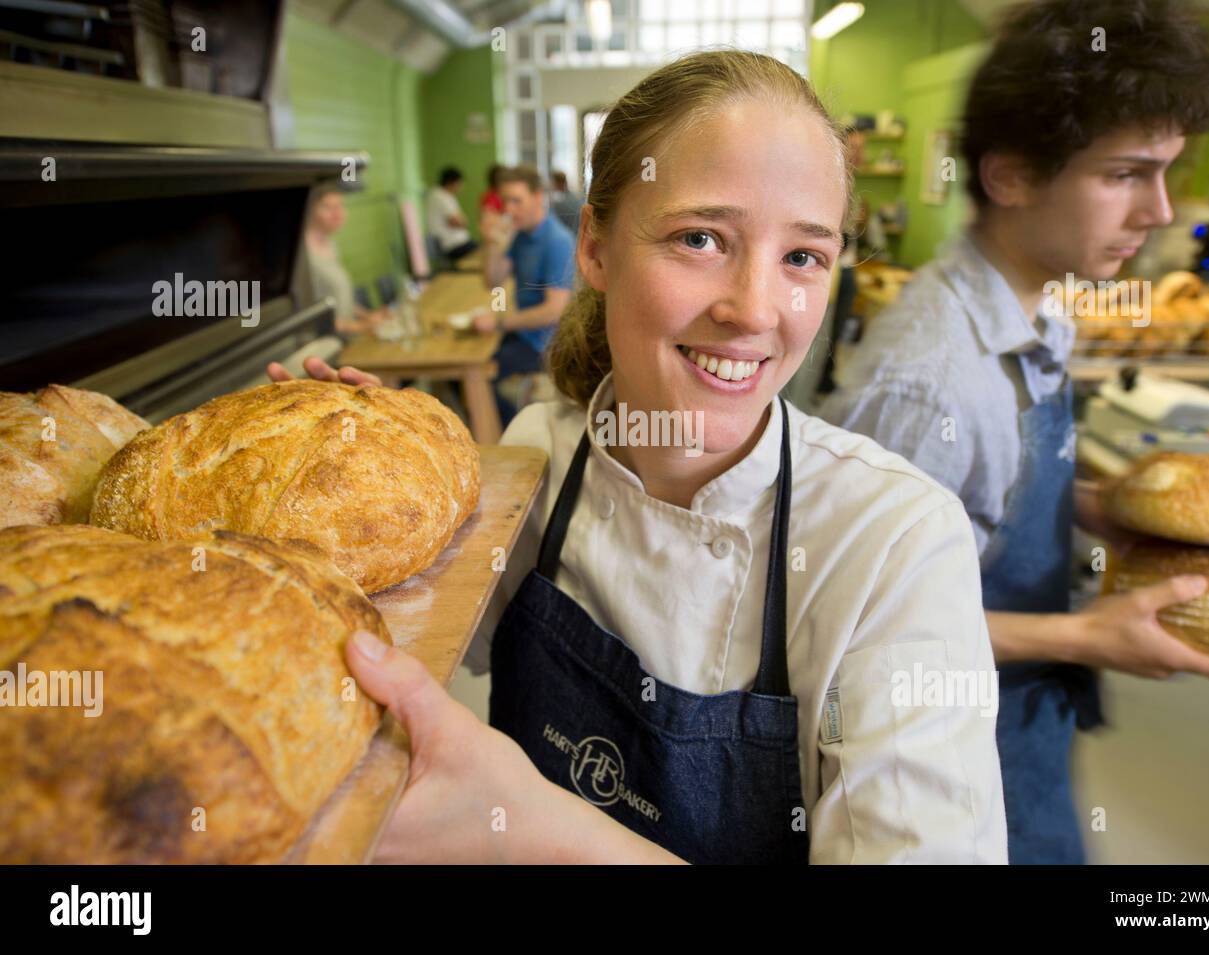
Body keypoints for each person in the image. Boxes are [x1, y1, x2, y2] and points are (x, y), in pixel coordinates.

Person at [269, 49, 1006, 864]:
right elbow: (402, 651)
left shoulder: (894, 544)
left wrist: (531, 829)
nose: (754, 309)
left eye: (803, 256)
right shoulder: (537, 454)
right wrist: (356, 498)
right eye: (700, 238)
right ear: (594, 245)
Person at [820, 0, 1209, 865]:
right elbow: (860, 627)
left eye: (1168, 172)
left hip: (1024, 712)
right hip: (947, 749)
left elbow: (989, 500)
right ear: (1013, 174)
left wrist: (1108, 508)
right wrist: (1086, 635)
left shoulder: (1034, 308)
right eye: (1127, 175)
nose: (1163, 212)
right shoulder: (932, 382)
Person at [476, 164, 576, 426]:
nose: (509, 210)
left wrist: (499, 322)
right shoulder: (522, 236)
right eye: (505, 201)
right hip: (525, 334)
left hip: (545, 345)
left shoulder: (557, 241)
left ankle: (508, 436)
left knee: (479, 374)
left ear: (538, 197)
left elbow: (553, 311)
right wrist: (493, 245)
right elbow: (493, 281)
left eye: (516, 201)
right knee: (468, 356)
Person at [303, 187, 389, 337]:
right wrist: (362, 326)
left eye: (340, 206)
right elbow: (310, 317)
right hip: (328, 341)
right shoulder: (303, 256)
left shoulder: (330, 244)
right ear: (308, 210)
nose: (338, 214)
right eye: (327, 207)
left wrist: (368, 315)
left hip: (347, 336)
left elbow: (338, 299)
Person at [427, 166, 478, 265]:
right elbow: (458, 222)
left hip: (456, 243)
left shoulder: (443, 195)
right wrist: (462, 221)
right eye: (459, 183)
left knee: (481, 249)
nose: (461, 186)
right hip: (451, 245)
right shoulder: (441, 196)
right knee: (481, 251)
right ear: (452, 182)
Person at [548, 170, 583, 236]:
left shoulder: (560, 204)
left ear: (558, 183)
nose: (551, 185)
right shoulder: (575, 197)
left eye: (552, 182)